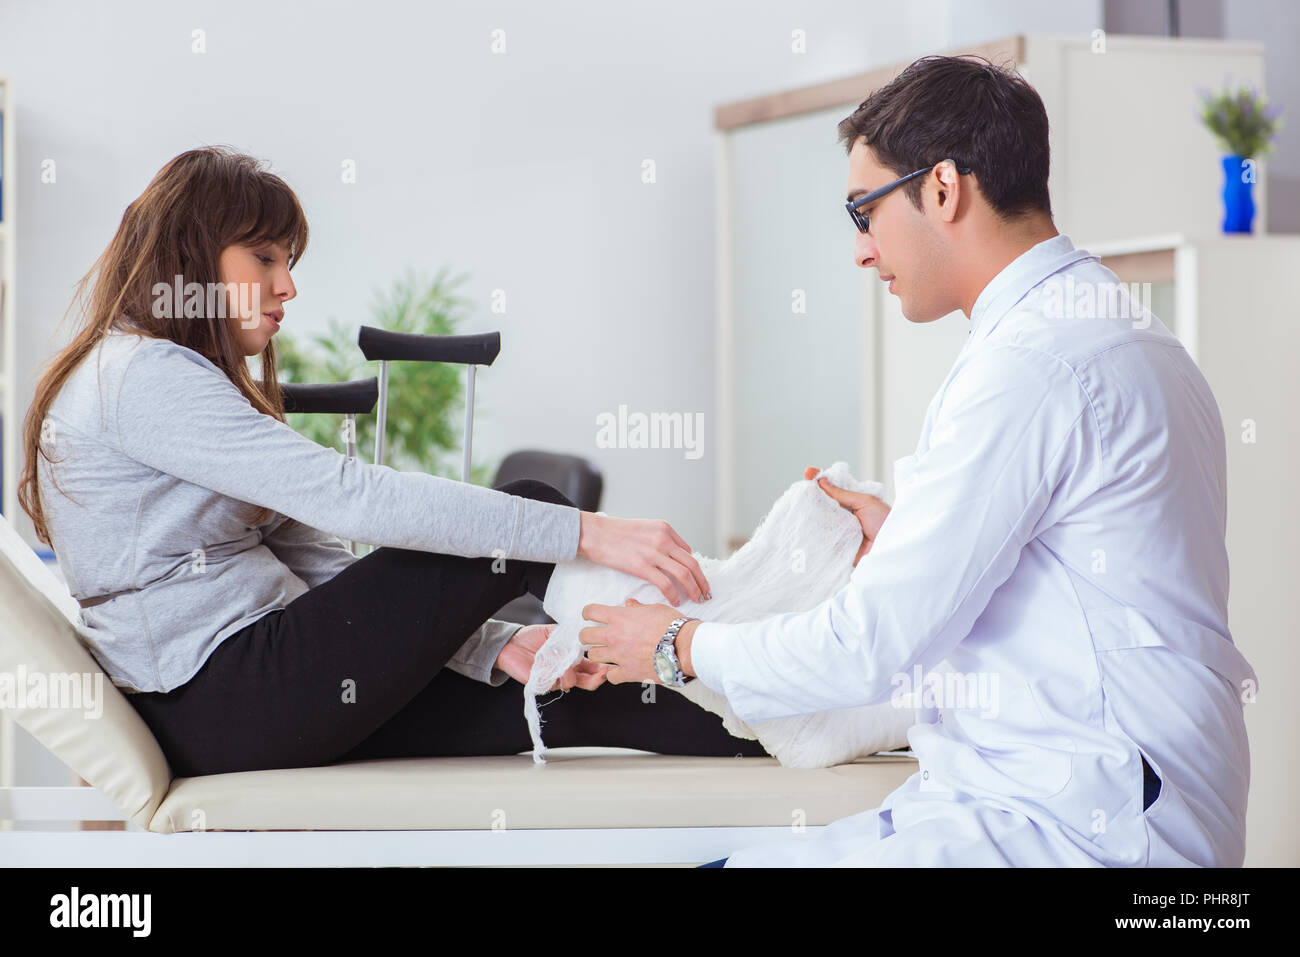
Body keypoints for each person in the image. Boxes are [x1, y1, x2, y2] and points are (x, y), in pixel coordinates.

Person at [585, 55, 1258, 867]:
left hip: (1083, 829)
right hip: (1079, 798)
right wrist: (917, 537)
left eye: (862, 214)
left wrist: (677, 644)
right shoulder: (1121, 333)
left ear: (942, 189)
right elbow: (1091, 580)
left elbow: (870, 645)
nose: (861, 253)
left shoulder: (1034, 365)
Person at [17, 145, 770, 778]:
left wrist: (494, 645)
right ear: (193, 253)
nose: (288, 285)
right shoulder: (140, 374)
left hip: (236, 704)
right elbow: (347, 496)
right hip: (222, 695)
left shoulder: (160, 375)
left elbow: (315, 555)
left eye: (290, 261)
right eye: (266, 257)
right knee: (532, 505)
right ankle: (742, 630)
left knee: (567, 696)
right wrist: (589, 531)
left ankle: (783, 730)